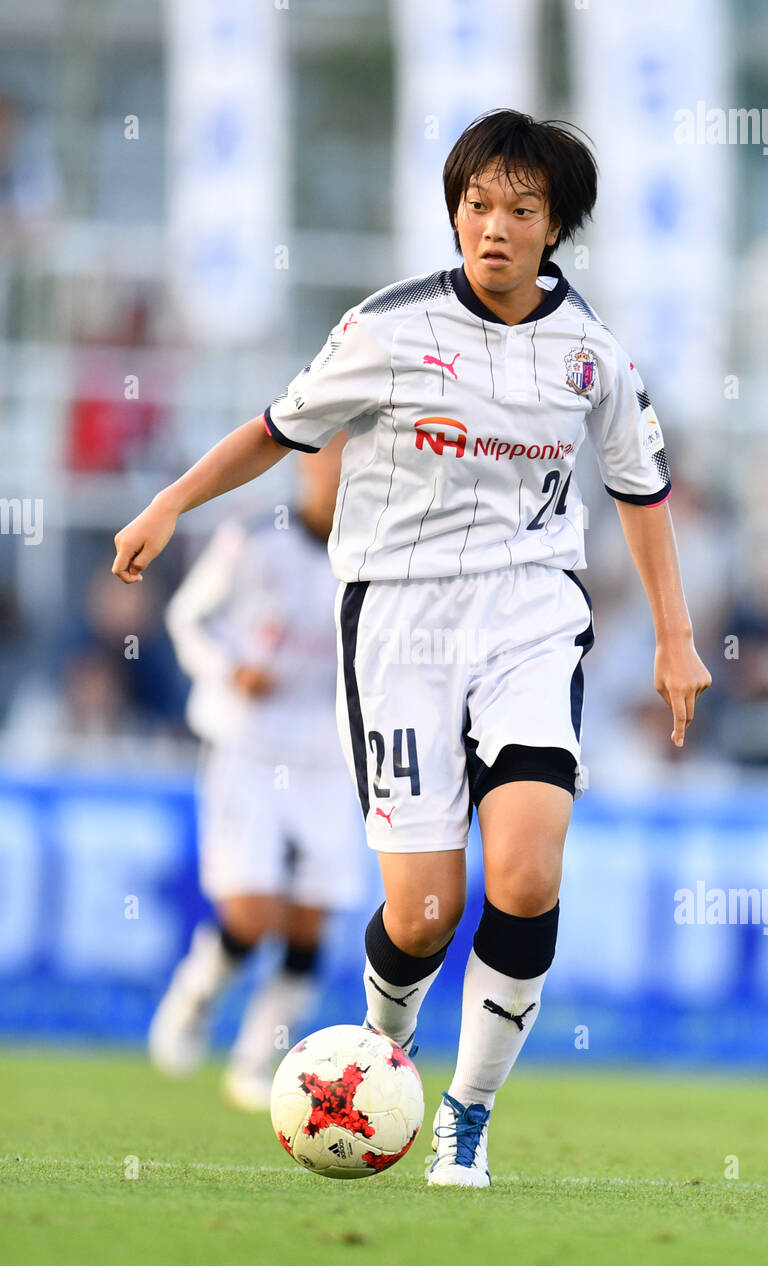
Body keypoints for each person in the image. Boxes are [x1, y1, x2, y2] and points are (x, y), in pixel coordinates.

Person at [114, 109, 711, 1185]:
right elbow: (274, 428)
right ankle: (383, 1045)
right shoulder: (386, 328)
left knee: (525, 874)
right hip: (396, 621)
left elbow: (642, 491)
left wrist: (674, 638)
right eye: (476, 204)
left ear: (553, 228)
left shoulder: (593, 358)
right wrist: (169, 503)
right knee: (423, 913)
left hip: (530, 614)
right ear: (454, 211)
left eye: (518, 211)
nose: (491, 227)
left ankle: (466, 1117)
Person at [148, 434, 365, 1111]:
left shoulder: (378, 558)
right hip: (248, 746)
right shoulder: (252, 541)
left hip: (327, 756)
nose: (340, 474)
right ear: (308, 463)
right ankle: (196, 994)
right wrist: (228, 669)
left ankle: (255, 1059)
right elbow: (186, 617)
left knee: (308, 921)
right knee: (254, 911)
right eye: (331, 457)